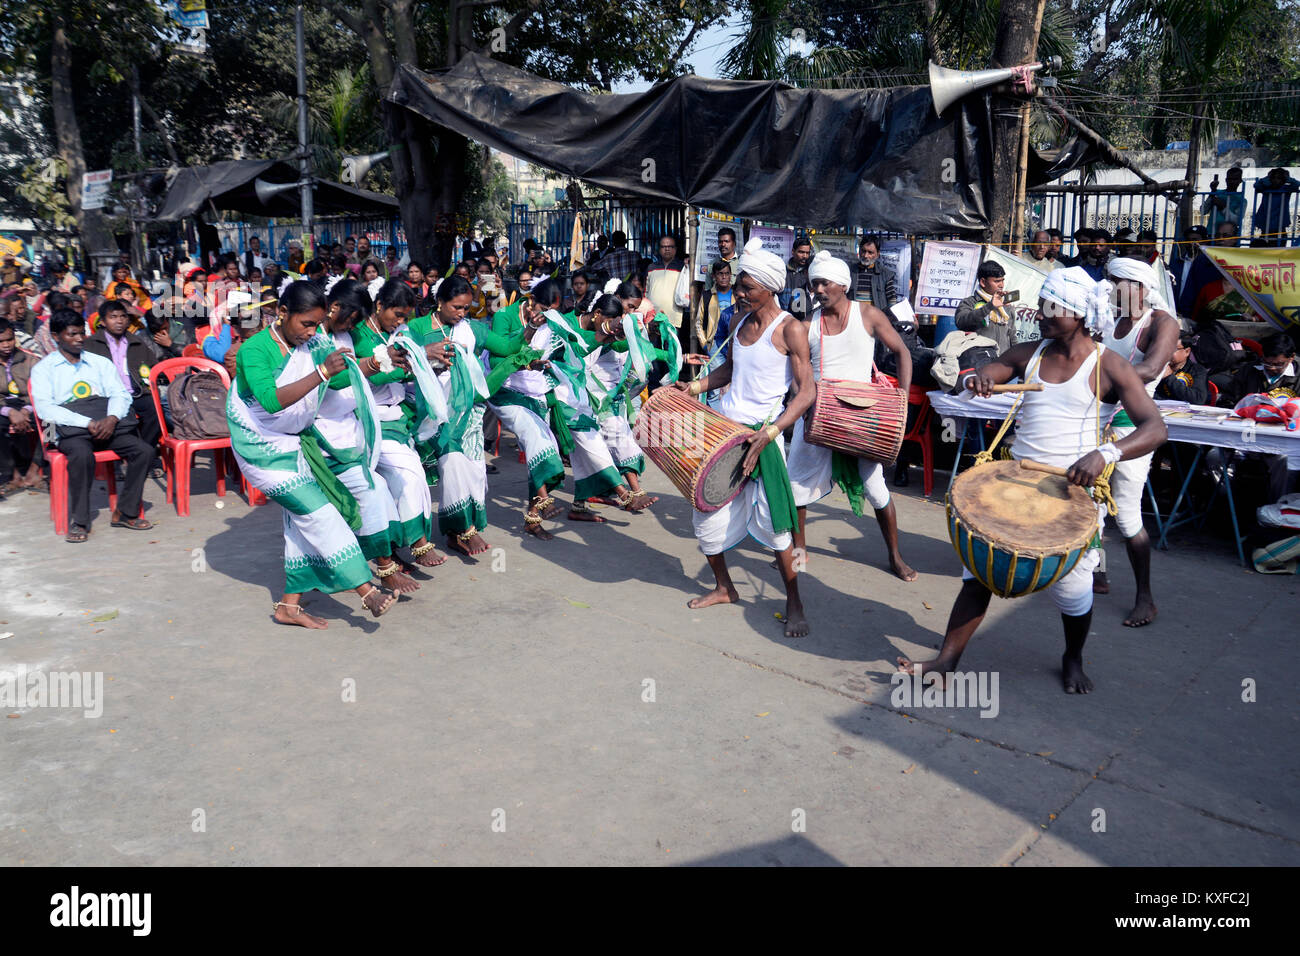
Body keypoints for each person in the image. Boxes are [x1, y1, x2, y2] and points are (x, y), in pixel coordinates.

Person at [899, 267, 1167, 693]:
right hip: (1017, 485)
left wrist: (1105, 453)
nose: (1041, 315)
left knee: (1074, 593)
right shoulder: (1031, 353)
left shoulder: (1109, 365)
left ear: (1079, 314)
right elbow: (992, 368)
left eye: (1052, 308)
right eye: (1042, 306)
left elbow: (1155, 428)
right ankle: (946, 662)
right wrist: (977, 377)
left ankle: (1072, 658)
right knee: (979, 575)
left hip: (1073, 496)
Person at [226, 281, 397, 625]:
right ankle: (367, 591)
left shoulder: (314, 341)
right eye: (306, 323)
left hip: (296, 443)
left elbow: (337, 379)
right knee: (320, 514)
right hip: (260, 448)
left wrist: (381, 361)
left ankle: (289, 607)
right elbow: (272, 402)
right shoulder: (254, 350)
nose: (312, 332)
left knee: (299, 524)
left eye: (317, 324)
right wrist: (320, 371)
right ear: (282, 313)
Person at [675, 237, 814, 638]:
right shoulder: (737, 322)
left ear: (770, 288)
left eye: (746, 287)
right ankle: (725, 587)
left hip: (765, 440)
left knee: (777, 529)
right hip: (726, 436)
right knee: (705, 516)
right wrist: (697, 388)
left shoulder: (791, 329)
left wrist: (771, 433)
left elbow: (806, 393)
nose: (738, 293)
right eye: (738, 286)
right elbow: (730, 371)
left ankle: (794, 601)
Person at [786, 251, 917, 582]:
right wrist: (800, 397)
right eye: (814, 283)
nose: (817, 289)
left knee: (875, 488)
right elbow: (797, 374)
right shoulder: (806, 325)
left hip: (861, 417)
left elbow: (902, 352)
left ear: (842, 284)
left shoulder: (868, 314)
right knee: (797, 489)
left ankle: (895, 556)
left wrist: (901, 398)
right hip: (816, 415)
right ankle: (797, 557)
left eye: (824, 282)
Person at [1094, 256, 1180, 627]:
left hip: (1132, 426)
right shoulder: (1110, 318)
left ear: (1140, 287)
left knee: (1126, 513)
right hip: (1096, 418)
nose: (1110, 290)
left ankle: (1145, 598)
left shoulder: (1163, 323)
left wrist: (1096, 383)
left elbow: (1148, 370)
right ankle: (1095, 573)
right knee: (1089, 502)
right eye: (1109, 283)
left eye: (1116, 283)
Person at [30, 309, 156, 542]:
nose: (79, 339)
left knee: (144, 451)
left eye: (81, 333)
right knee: (81, 456)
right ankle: (80, 521)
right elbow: (45, 409)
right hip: (72, 430)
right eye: (72, 334)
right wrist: (87, 423)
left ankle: (125, 512)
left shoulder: (99, 362)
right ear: (57, 336)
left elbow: (120, 394)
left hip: (107, 425)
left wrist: (112, 419)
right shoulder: (43, 369)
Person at [83, 299, 165, 448]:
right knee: (121, 416)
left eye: (123, 316)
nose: (119, 321)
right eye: (113, 317)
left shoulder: (138, 342)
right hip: (107, 395)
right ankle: (129, 454)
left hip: (136, 392)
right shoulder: (91, 345)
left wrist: (149, 385)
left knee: (156, 410)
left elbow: (153, 367)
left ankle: (144, 451)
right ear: (102, 322)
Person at [0, 318, 42, 492]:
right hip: (3, 407)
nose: (5, 345)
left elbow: (42, 392)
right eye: (0, 341)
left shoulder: (30, 360)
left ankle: (37, 468)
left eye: (9, 339)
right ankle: (12, 474)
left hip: (30, 404)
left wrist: (26, 410)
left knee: (54, 424)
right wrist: (10, 412)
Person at [1219, 332, 1299, 407]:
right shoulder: (1248, 370)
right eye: (1266, 363)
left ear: (1291, 357)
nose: (1271, 368)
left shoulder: (1297, 378)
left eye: (1278, 364)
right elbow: (1228, 399)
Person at [645, 234, 690, 358]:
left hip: (673, 319)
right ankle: (655, 378)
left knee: (672, 354)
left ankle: (671, 378)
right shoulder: (651, 268)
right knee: (654, 354)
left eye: (670, 246)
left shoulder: (682, 267)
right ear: (659, 249)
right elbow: (646, 292)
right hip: (653, 319)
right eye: (664, 246)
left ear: (675, 249)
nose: (667, 249)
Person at [955, 260, 1014, 353]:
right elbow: (961, 322)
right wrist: (989, 307)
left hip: (1002, 361)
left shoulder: (1005, 305)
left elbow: (1012, 335)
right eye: (997, 281)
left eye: (1002, 280)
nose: (1001, 285)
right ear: (983, 282)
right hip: (979, 359)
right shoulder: (969, 302)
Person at [1155, 332, 1209, 405]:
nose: (1167, 352)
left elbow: (1198, 399)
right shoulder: (1156, 365)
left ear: (1187, 351)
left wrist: (1169, 377)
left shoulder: (1197, 371)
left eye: (1173, 349)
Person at [849, 235, 898, 311]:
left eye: (870, 252)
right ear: (859, 251)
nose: (866, 255)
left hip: (876, 319)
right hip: (854, 317)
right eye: (863, 251)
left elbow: (892, 300)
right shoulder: (850, 272)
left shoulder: (885, 274)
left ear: (877, 254)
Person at [1252, 167, 1300, 246]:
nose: (1275, 180)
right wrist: (1268, 177)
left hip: (1280, 225)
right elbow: (1256, 185)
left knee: (1279, 249)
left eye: (1279, 178)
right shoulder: (1265, 188)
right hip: (1265, 224)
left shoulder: (1286, 189)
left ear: (1283, 180)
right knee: (1264, 248)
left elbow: (1297, 184)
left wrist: (1287, 178)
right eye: (1273, 178)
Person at [1201, 166, 1246, 236]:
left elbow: (1237, 221)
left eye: (1235, 179)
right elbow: (1203, 211)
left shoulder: (1242, 200)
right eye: (1229, 179)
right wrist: (1212, 192)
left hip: (1228, 237)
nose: (1232, 182)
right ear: (1226, 180)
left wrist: (1223, 208)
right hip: (1211, 233)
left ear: (1240, 181)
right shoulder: (1217, 193)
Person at [781, 237, 813, 317]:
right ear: (793, 251)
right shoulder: (782, 272)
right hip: (782, 318)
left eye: (807, 253)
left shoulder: (810, 275)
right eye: (801, 252)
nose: (805, 256)